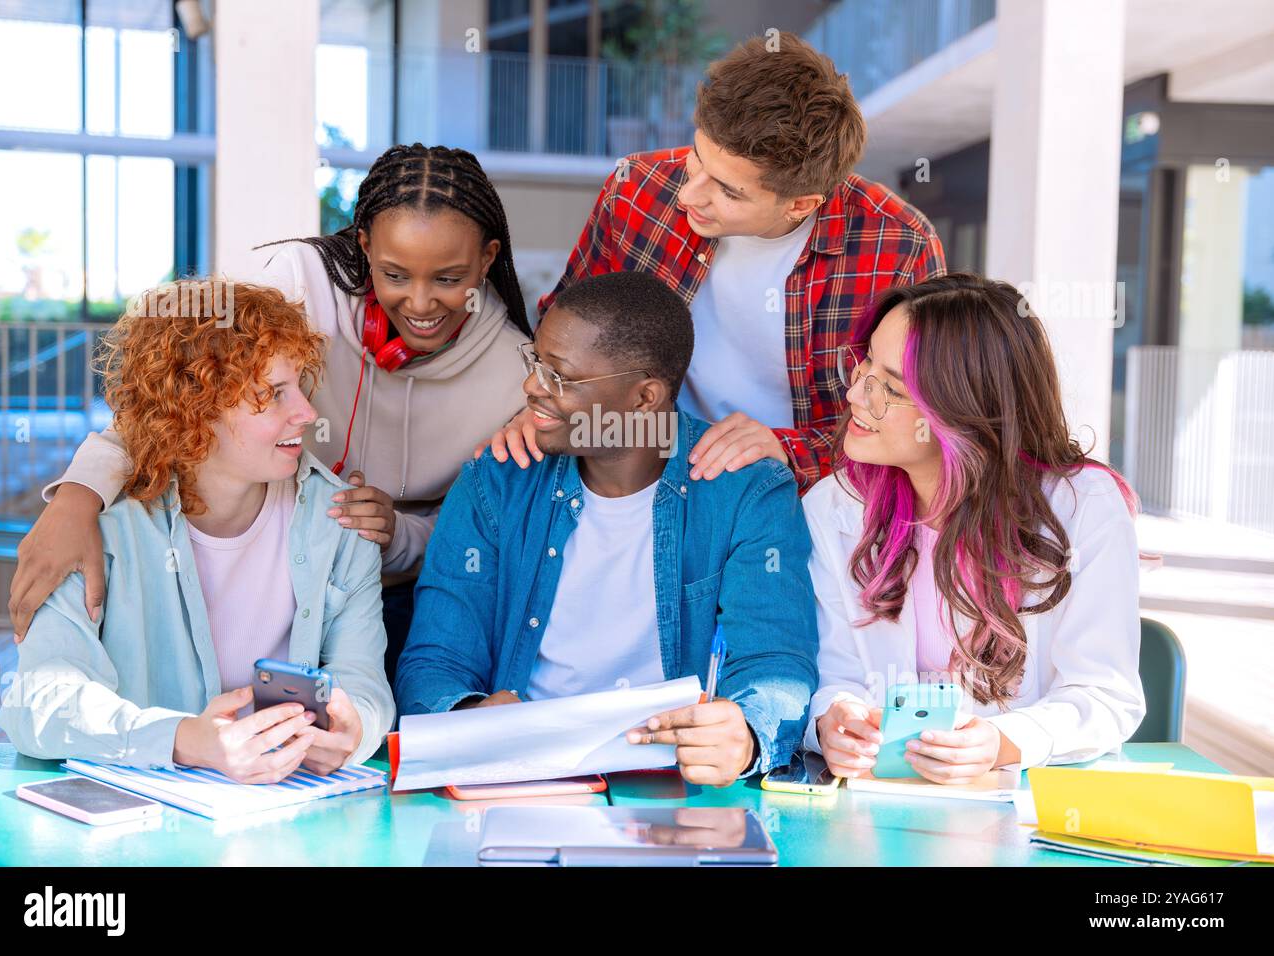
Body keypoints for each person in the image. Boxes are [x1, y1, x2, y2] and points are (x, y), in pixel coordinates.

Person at [9, 144, 531, 682]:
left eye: (448, 279)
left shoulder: (517, 373)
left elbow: (478, 529)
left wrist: (397, 534)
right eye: (394, 274)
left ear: (487, 259)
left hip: (401, 601)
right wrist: (77, 495)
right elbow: (188, 389)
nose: (420, 304)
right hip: (280, 573)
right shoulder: (303, 280)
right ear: (365, 245)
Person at [397, 271, 819, 787]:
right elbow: (435, 659)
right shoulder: (496, 480)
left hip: (672, 782)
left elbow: (776, 664)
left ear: (645, 398)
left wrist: (746, 734)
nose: (532, 388)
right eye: (536, 363)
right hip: (523, 780)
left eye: (561, 377)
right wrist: (465, 715)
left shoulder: (746, 491)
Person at [483, 32, 945, 493]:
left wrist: (789, 448)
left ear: (800, 205)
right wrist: (546, 410)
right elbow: (566, 329)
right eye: (695, 158)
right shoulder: (635, 190)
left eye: (728, 191)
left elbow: (921, 414)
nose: (688, 194)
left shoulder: (900, 247)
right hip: (645, 466)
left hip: (808, 493)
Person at [0, 281, 395, 780]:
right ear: (195, 411)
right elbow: (38, 702)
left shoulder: (340, 520)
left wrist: (354, 727)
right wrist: (187, 740)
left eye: (299, 385)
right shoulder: (96, 529)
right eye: (273, 395)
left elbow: (365, 685)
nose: (308, 414)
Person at [802, 273, 1145, 783]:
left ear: (962, 414)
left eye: (890, 388)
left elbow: (1105, 695)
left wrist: (1004, 742)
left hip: (1018, 808)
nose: (856, 393)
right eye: (865, 363)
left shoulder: (1084, 508)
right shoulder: (835, 507)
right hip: (877, 807)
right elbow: (832, 677)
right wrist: (834, 721)